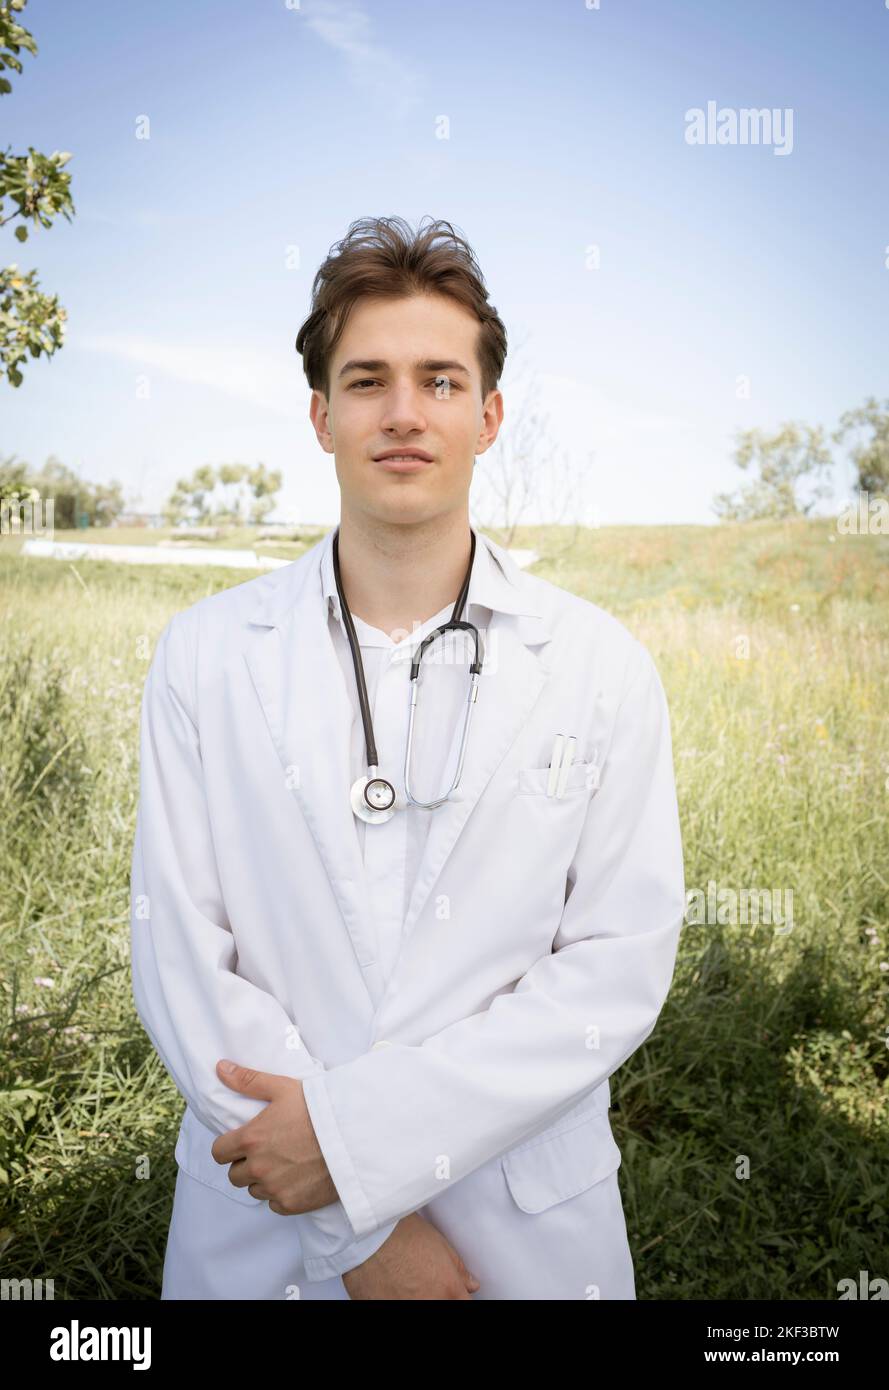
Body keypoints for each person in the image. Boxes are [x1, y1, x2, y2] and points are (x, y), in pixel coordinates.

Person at [129, 215, 686, 1301]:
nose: (402, 413)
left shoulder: (599, 668)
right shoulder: (202, 657)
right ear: (320, 415)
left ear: (487, 416)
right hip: (266, 1226)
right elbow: (185, 958)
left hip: (519, 1226)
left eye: (438, 381)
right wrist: (352, 1224)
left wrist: (356, 1153)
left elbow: (616, 966)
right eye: (367, 380)